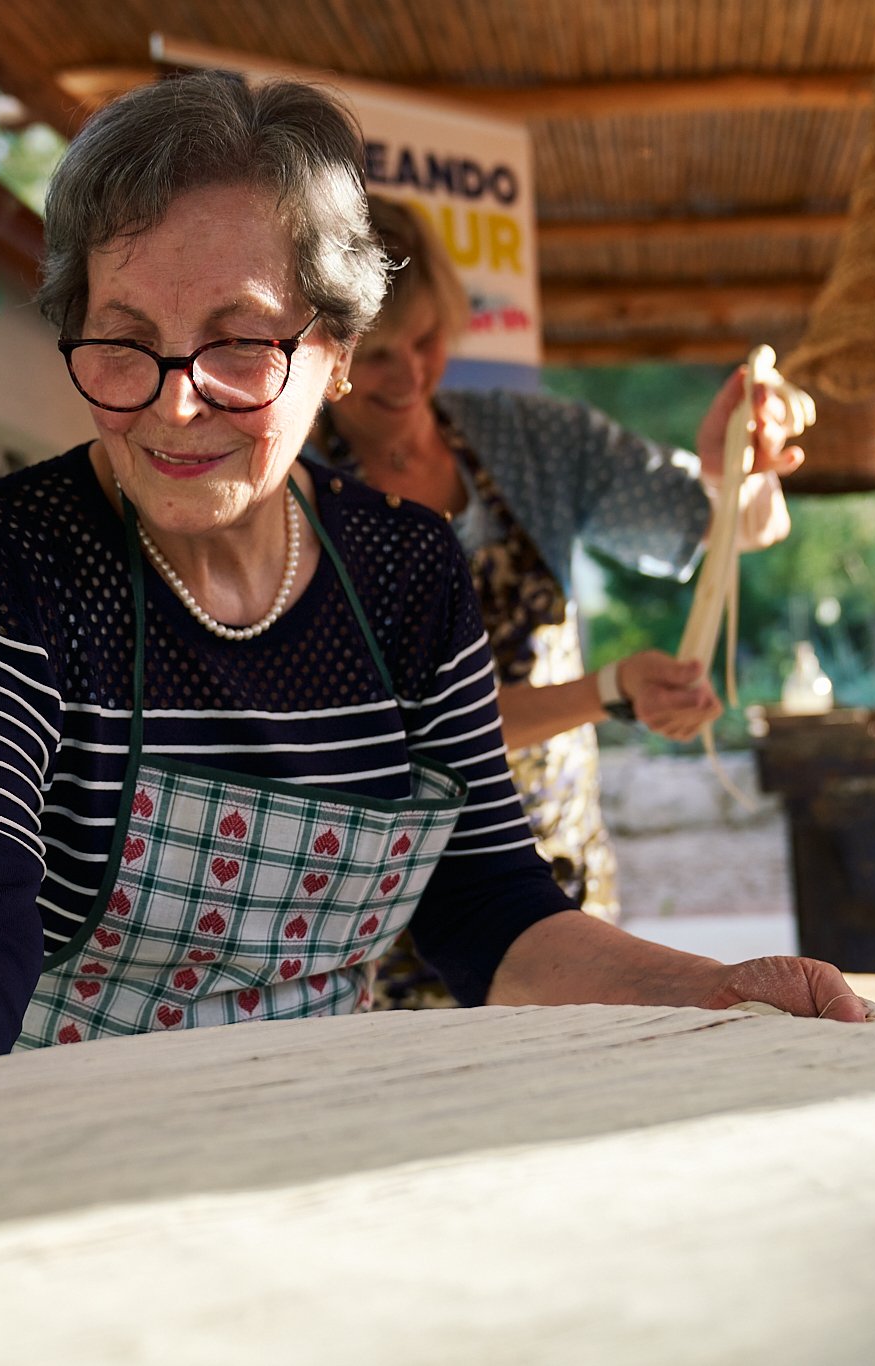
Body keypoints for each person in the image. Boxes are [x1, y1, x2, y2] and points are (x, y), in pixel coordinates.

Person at [0, 71, 862, 1096]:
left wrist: (715, 989)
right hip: (57, 1133)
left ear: (338, 350)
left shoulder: (404, 569)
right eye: (126, 343)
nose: (175, 408)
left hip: (313, 1126)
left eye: (235, 343)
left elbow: (488, 904)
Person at [314, 195, 806, 939]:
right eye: (378, 355)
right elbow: (409, 733)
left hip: (562, 869)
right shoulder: (295, 489)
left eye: (427, 340)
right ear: (324, 346)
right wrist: (609, 691)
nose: (411, 375)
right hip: (391, 906)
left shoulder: (535, 438)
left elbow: (740, 526)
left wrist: (737, 462)